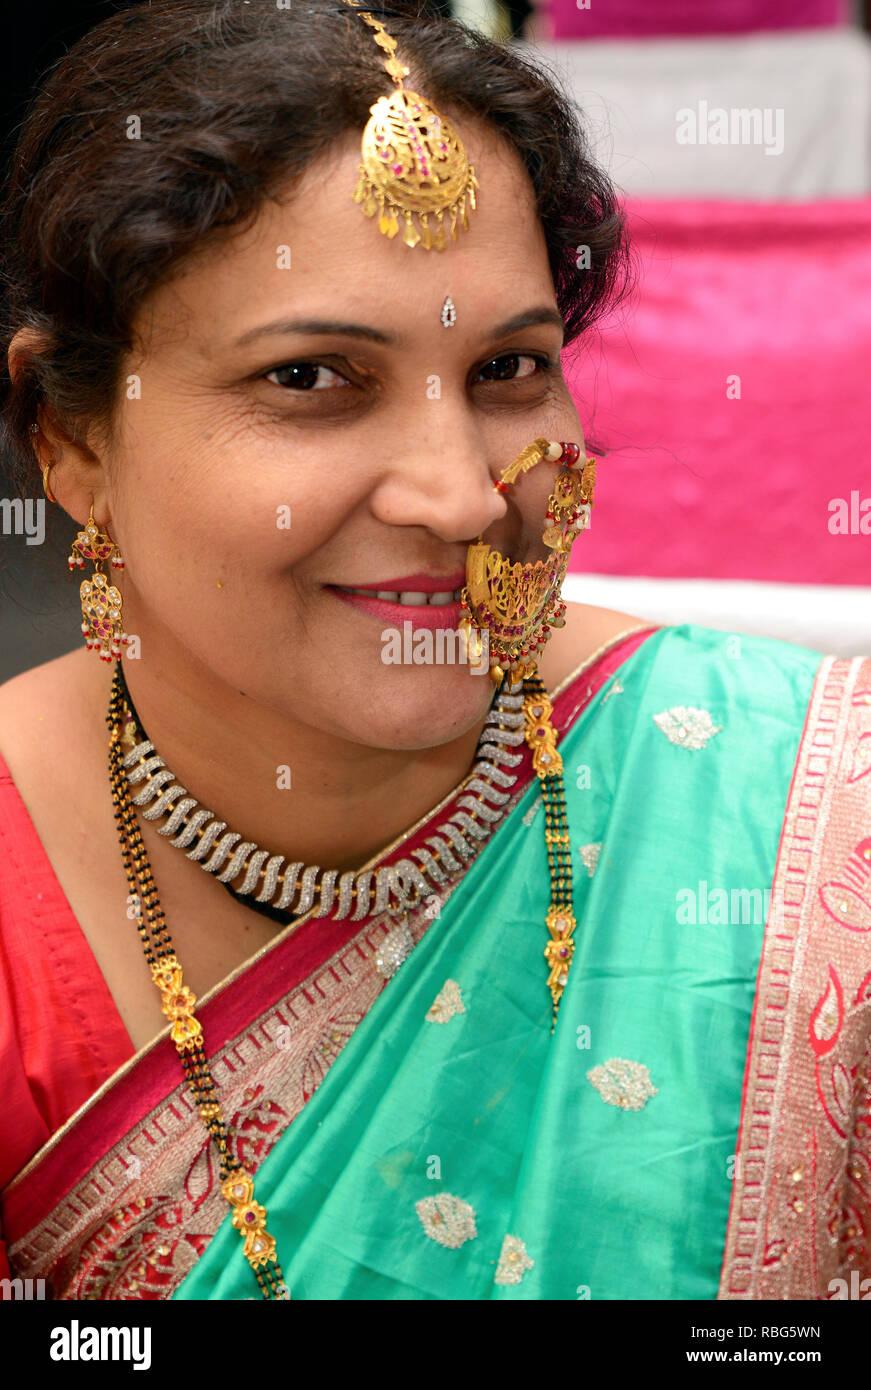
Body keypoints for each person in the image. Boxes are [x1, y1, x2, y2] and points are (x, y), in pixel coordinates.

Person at [0, 0, 867, 1301]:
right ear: (71, 445)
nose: (462, 498)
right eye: (312, 379)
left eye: (510, 367)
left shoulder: (813, 811)